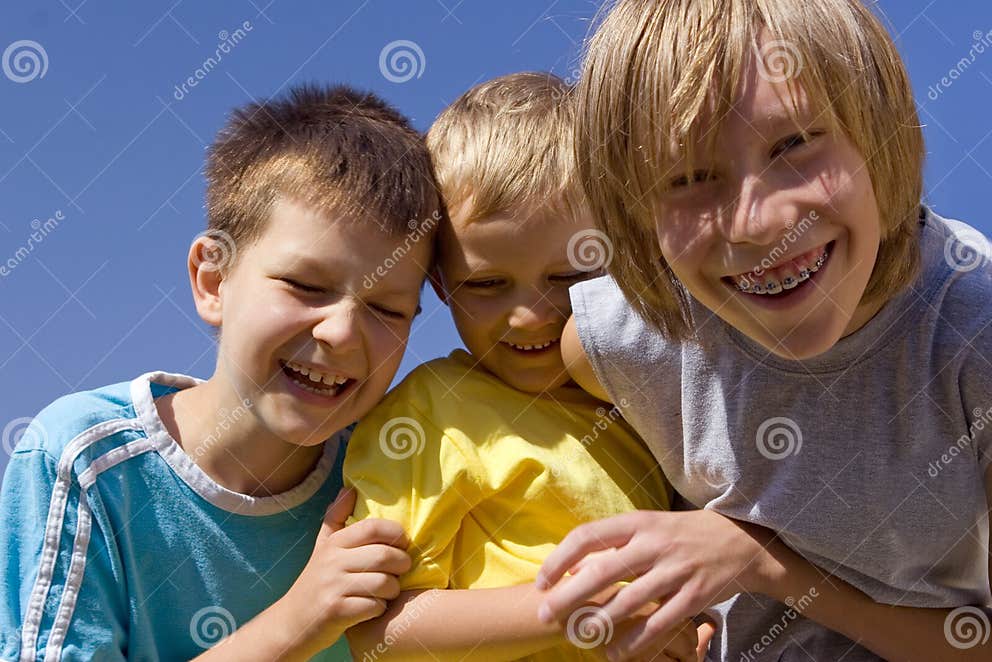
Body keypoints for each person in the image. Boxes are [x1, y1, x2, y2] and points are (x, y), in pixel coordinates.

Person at [533, 1, 992, 660]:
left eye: (795, 143)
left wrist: (763, 565)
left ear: (880, 129)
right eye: (689, 178)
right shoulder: (623, 342)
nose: (755, 225)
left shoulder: (973, 336)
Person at [0, 83, 443, 661]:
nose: (340, 332)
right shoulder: (86, 463)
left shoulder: (397, 474)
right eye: (306, 286)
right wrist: (300, 619)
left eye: (386, 308)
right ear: (213, 281)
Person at [344, 72, 709, 662]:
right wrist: (585, 610)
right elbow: (380, 632)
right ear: (439, 285)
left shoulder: (643, 396)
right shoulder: (434, 412)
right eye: (487, 283)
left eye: (569, 277)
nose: (532, 315)